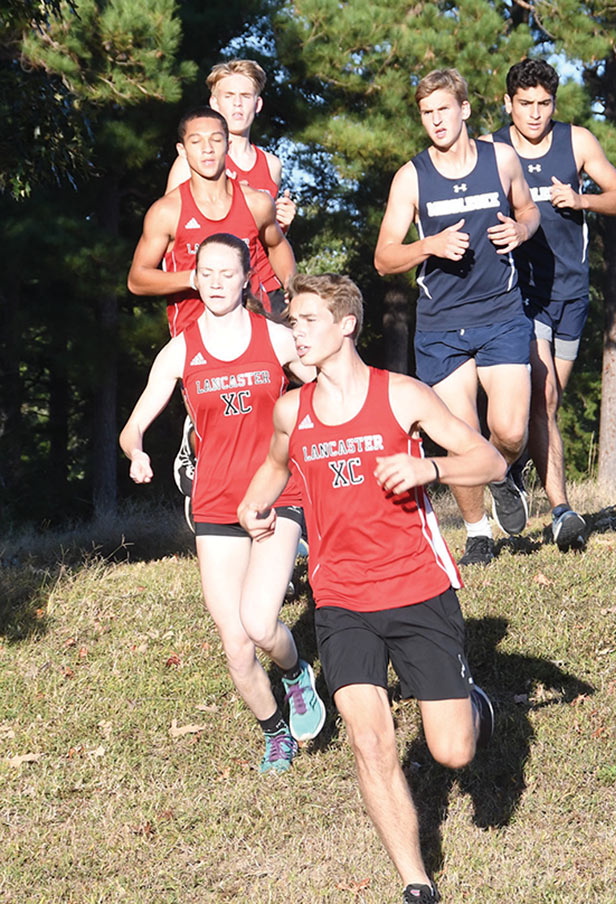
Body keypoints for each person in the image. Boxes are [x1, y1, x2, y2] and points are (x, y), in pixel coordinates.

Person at [238, 273, 506, 904]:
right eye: (292, 322)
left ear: (346, 325)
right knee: (369, 738)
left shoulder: (402, 396)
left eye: (305, 320)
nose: (294, 333)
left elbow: (490, 461)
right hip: (341, 599)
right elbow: (274, 470)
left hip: (418, 588)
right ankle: (416, 882)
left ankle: (477, 706)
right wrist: (254, 508)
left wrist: (428, 467)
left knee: (453, 752)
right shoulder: (290, 410)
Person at [120, 233, 325, 774]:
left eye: (226, 273)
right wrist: (136, 449)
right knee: (236, 644)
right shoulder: (183, 348)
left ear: (244, 279)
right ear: (197, 276)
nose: (214, 282)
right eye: (205, 273)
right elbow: (135, 421)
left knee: (261, 624)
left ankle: (296, 671)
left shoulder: (276, 340)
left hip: (280, 494)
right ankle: (274, 731)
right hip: (214, 504)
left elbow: (329, 389)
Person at [373, 69, 540, 566]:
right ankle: (477, 534)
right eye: (426, 113)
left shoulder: (501, 159)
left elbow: (529, 210)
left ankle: (501, 472)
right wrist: (428, 245)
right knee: (459, 434)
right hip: (442, 323)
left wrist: (522, 231)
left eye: (443, 109)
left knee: (509, 431)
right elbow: (384, 258)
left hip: (502, 311)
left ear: (464, 109)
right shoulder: (412, 176)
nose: (435, 120)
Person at [484, 59, 616, 550]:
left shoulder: (578, 142)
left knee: (544, 407)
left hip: (570, 291)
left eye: (544, 104)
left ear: (554, 103)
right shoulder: (491, 150)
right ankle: (562, 514)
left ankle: (507, 471)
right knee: (543, 399)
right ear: (508, 104)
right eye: (524, 104)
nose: (534, 114)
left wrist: (582, 200)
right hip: (519, 294)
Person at [128, 106, 295, 335]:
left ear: (228, 145)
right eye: (196, 142)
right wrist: (194, 278)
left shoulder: (257, 203)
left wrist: (293, 286)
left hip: (255, 330)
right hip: (195, 338)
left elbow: (276, 245)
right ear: (182, 150)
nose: (207, 149)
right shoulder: (166, 212)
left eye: (216, 140)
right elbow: (137, 279)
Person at [165, 59, 296, 241]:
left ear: (257, 104)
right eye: (229, 96)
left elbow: (266, 243)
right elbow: (167, 228)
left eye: (245, 96)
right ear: (215, 103)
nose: (237, 103)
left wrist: (282, 226)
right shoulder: (193, 160)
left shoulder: (272, 165)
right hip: (208, 267)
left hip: (256, 270)